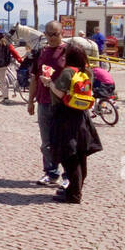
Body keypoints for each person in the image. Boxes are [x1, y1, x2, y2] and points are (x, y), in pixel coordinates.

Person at [44, 44, 103, 204]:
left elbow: (60, 93)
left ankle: (73, 194)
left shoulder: (68, 72)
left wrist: (49, 83)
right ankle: (74, 190)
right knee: (80, 155)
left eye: (65, 55)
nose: (62, 57)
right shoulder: (87, 72)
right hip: (82, 117)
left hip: (65, 116)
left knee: (69, 157)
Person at [26, 21, 69, 188]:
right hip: (44, 102)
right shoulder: (41, 52)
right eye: (48, 34)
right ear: (44, 34)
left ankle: (68, 174)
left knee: (65, 140)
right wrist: (30, 101)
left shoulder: (68, 51)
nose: (51, 37)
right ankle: (51, 173)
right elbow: (35, 78)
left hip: (63, 104)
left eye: (55, 34)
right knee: (46, 142)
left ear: (62, 33)